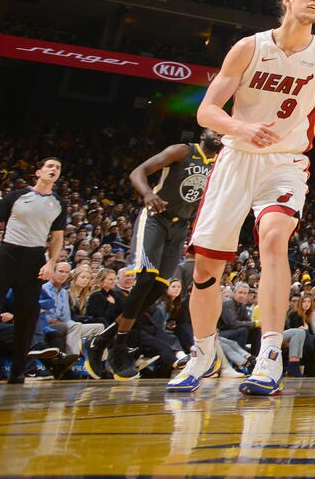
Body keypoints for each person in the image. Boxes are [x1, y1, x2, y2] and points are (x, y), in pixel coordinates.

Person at [168, 0, 315, 396]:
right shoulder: (249, 47)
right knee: (207, 270)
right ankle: (203, 353)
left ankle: (270, 353)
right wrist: (240, 127)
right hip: (235, 158)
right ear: (287, 0)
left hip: (285, 162)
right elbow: (207, 112)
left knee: (273, 238)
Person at [86, 129, 220, 380]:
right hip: (156, 219)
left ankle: (103, 339)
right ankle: (119, 347)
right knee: (146, 279)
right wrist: (148, 194)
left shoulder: (220, 164)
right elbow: (138, 171)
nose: (220, 134)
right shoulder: (182, 150)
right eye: (216, 129)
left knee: (158, 290)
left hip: (180, 227)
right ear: (204, 133)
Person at [0, 155, 66, 384]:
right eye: (50, 166)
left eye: (58, 168)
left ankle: (19, 371)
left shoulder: (59, 203)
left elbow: (57, 237)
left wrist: (51, 262)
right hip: (8, 253)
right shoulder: (16, 196)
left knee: (27, 316)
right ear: (39, 172)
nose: (54, 169)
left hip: (34, 258)